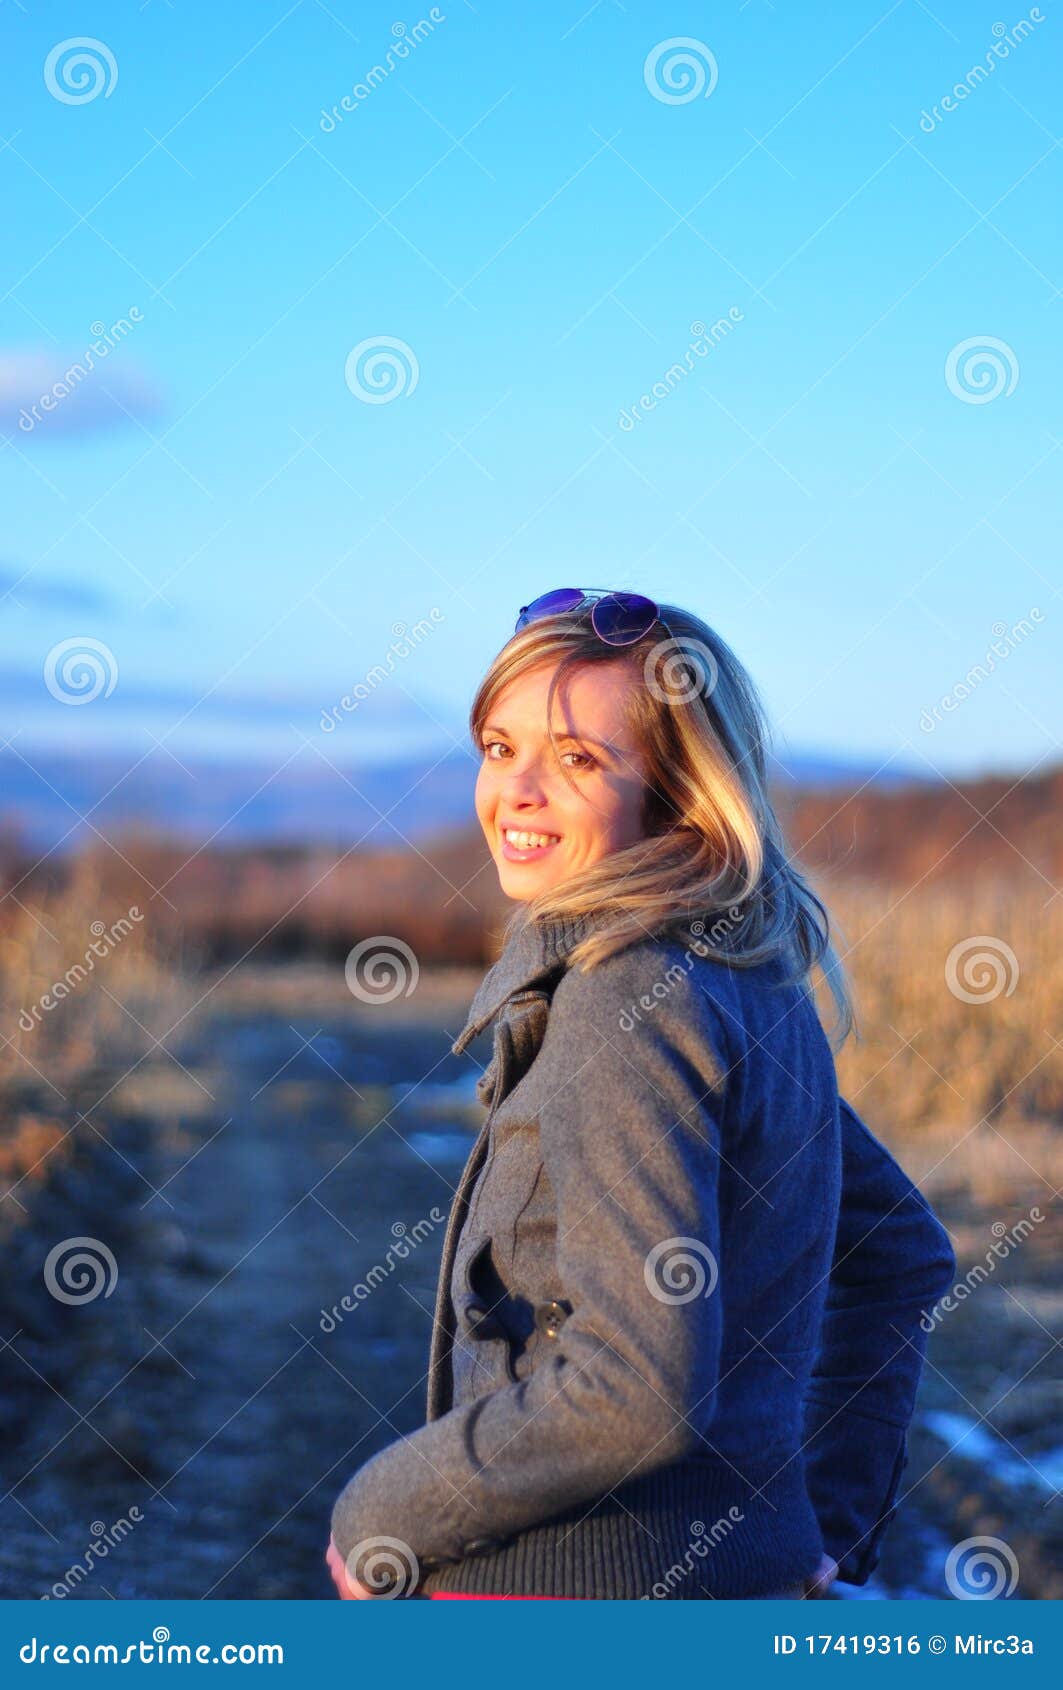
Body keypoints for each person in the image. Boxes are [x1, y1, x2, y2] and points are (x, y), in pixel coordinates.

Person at [326, 588, 955, 1600]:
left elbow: (632, 1390)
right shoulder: (746, 985)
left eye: (579, 759)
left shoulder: (628, 998)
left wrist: (382, 1510)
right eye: (499, 746)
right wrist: (819, 1526)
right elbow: (901, 1257)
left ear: (680, 798)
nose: (518, 791)